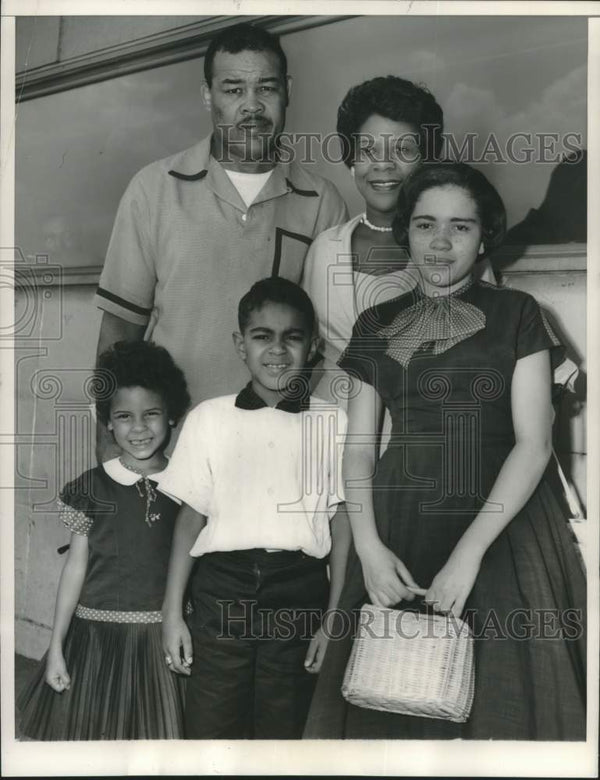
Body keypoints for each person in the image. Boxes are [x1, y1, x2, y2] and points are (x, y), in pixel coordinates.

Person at [304, 162, 586, 740]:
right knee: (388, 700)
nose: (439, 242)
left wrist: (469, 555)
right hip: (400, 523)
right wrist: (370, 550)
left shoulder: (518, 314)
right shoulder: (376, 322)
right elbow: (357, 451)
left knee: (504, 708)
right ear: (405, 231)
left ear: (484, 237)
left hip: (503, 526)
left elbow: (533, 446)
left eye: (460, 227)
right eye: (425, 224)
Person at [94, 23, 347, 429]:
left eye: (265, 88)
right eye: (233, 90)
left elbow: (327, 344)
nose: (252, 106)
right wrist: (109, 440)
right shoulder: (154, 189)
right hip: (169, 448)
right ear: (207, 94)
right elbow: (121, 332)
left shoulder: (322, 201)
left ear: (287, 90)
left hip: (273, 448)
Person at [158, 277, 350, 739]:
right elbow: (190, 518)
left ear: (314, 346)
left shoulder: (334, 421)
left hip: (299, 592)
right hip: (221, 591)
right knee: (210, 728)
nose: (278, 350)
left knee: (284, 732)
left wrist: (334, 618)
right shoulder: (209, 418)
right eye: (262, 336)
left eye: (293, 337)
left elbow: (343, 525)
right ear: (240, 344)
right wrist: (171, 613)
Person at [17, 342, 191, 740]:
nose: (139, 428)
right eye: (124, 417)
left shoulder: (189, 484)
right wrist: (56, 645)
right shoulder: (91, 487)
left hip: (158, 640)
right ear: (108, 422)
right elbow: (76, 567)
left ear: (172, 416)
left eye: (151, 414)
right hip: (94, 641)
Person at [302, 76, 496, 405]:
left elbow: (490, 350)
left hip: (427, 431)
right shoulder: (323, 249)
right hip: (331, 426)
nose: (383, 164)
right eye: (368, 150)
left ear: (427, 158)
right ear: (350, 159)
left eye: (403, 150)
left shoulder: (456, 248)